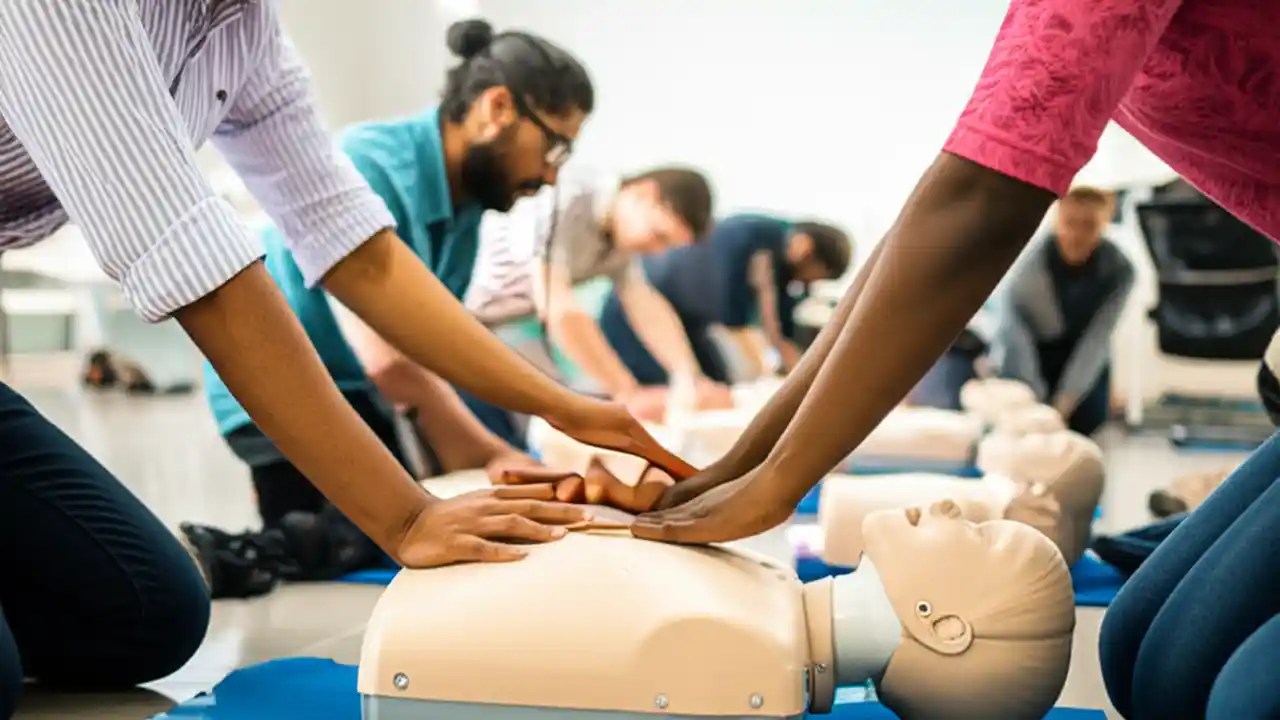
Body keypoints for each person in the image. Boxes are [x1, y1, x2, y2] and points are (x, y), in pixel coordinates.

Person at [0, 5, 658, 712]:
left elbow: (358, 249)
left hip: (313, 381)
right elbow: (185, 251)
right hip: (289, 379)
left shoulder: (244, 31)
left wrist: (565, 407)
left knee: (151, 617)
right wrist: (408, 516)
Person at [630, 2, 1280, 716]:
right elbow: (930, 227)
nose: (947, 502)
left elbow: (978, 202)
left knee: (1243, 696)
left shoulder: (1110, 269)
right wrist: (748, 465)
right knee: (1144, 654)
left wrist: (777, 475)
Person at [194, 22, 604, 593]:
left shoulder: (465, 212)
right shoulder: (374, 163)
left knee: (441, 509)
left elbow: (426, 360)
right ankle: (216, 554)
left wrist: (485, 462)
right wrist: (491, 451)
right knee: (374, 526)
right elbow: (388, 360)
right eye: (554, 145)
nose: (551, 172)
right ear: (498, 108)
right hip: (276, 385)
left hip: (354, 391)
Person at [462, 164, 730, 420]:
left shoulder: (619, 236)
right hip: (456, 318)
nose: (657, 250)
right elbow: (560, 310)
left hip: (493, 328)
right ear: (643, 193)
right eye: (659, 235)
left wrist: (689, 378)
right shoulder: (566, 199)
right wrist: (628, 393)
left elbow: (643, 302)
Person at [599, 214, 853, 384]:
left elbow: (782, 331)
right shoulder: (756, 241)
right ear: (805, 247)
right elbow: (739, 320)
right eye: (814, 277)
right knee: (663, 389)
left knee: (716, 386)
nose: (806, 285)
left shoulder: (781, 270)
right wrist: (772, 373)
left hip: (691, 324)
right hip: (639, 318)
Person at [991, 186, 1134, 435]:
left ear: (1105, 223)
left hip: (1082, 354)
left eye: (1089, 225)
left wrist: (1065, 402)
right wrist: (1037, 400)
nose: (1077, 234)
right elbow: (1014, 336)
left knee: (1089, 419)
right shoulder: (1026, 266)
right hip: (1031, 353)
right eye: (1070, 223)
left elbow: (1097, 339)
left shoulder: (1120, 270)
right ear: (1055, 219)